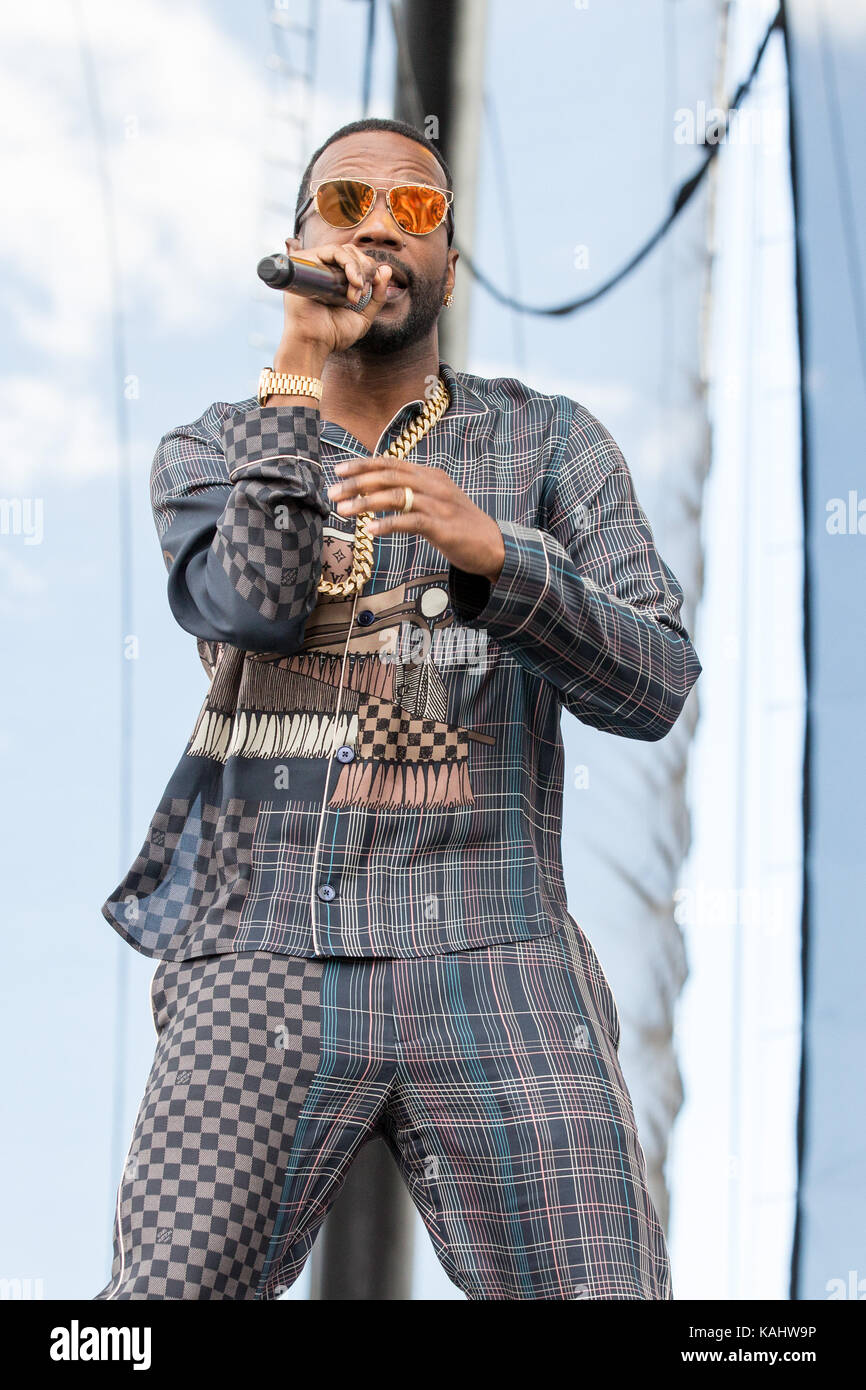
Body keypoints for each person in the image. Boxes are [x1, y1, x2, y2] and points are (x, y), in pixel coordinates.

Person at [94, 116, 702, 1301]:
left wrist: (501, 565)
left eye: (415, 210)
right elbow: (253, 604)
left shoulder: (549, 441)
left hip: (497, 943)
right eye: (346, 202)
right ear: (298, 241)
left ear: (450, 268)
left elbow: (656, 682)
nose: (378, 224)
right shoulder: (211, 448)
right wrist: (297, 361)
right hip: (258, 947)